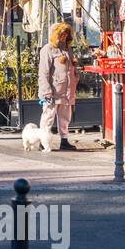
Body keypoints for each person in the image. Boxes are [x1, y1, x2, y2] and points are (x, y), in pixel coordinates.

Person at [38, 21, 80, 151]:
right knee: (48, 116)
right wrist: (46, 91)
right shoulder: (47, 49)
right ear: (55, 35)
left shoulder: (67, 49)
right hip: (53, 90)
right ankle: (42, 141)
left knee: (65, 116)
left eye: (66, 34)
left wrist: (75, 77)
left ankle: (64, 140)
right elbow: (43, 72)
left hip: (67, 91)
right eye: (62, 34)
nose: (64, 36)